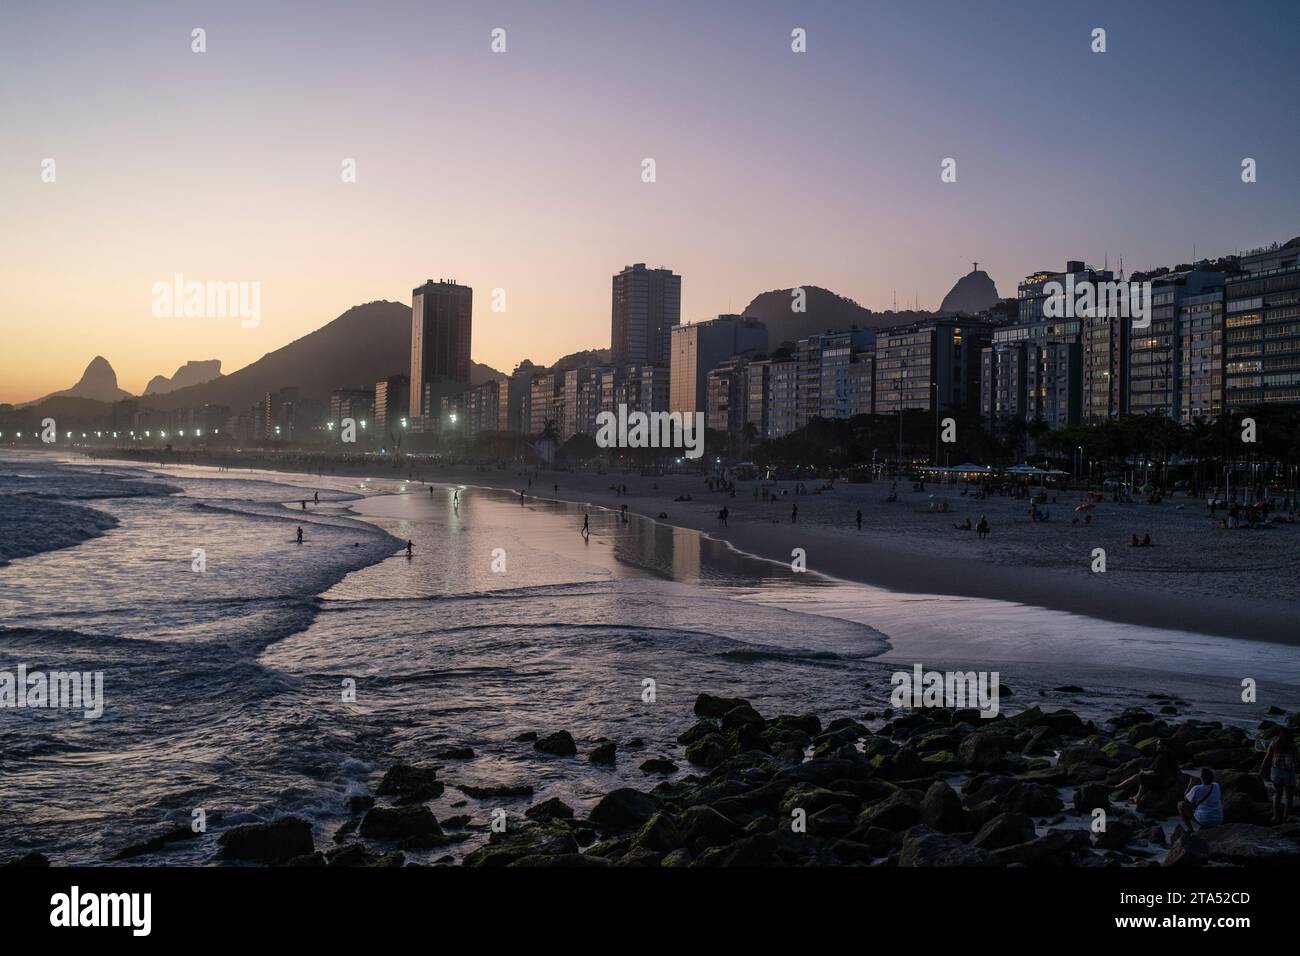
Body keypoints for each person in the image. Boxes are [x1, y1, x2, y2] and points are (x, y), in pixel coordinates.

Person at [1263, 728, 1298, 824]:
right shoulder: (1293, 746)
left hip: (1276, 772)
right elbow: (1296, 760)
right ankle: (1285, 818)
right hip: (1289, 772)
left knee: (1277, 794)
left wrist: (1262, 768)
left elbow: (1267, 757)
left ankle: (1275, 816)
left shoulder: (1273, 743)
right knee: (1289, 797)